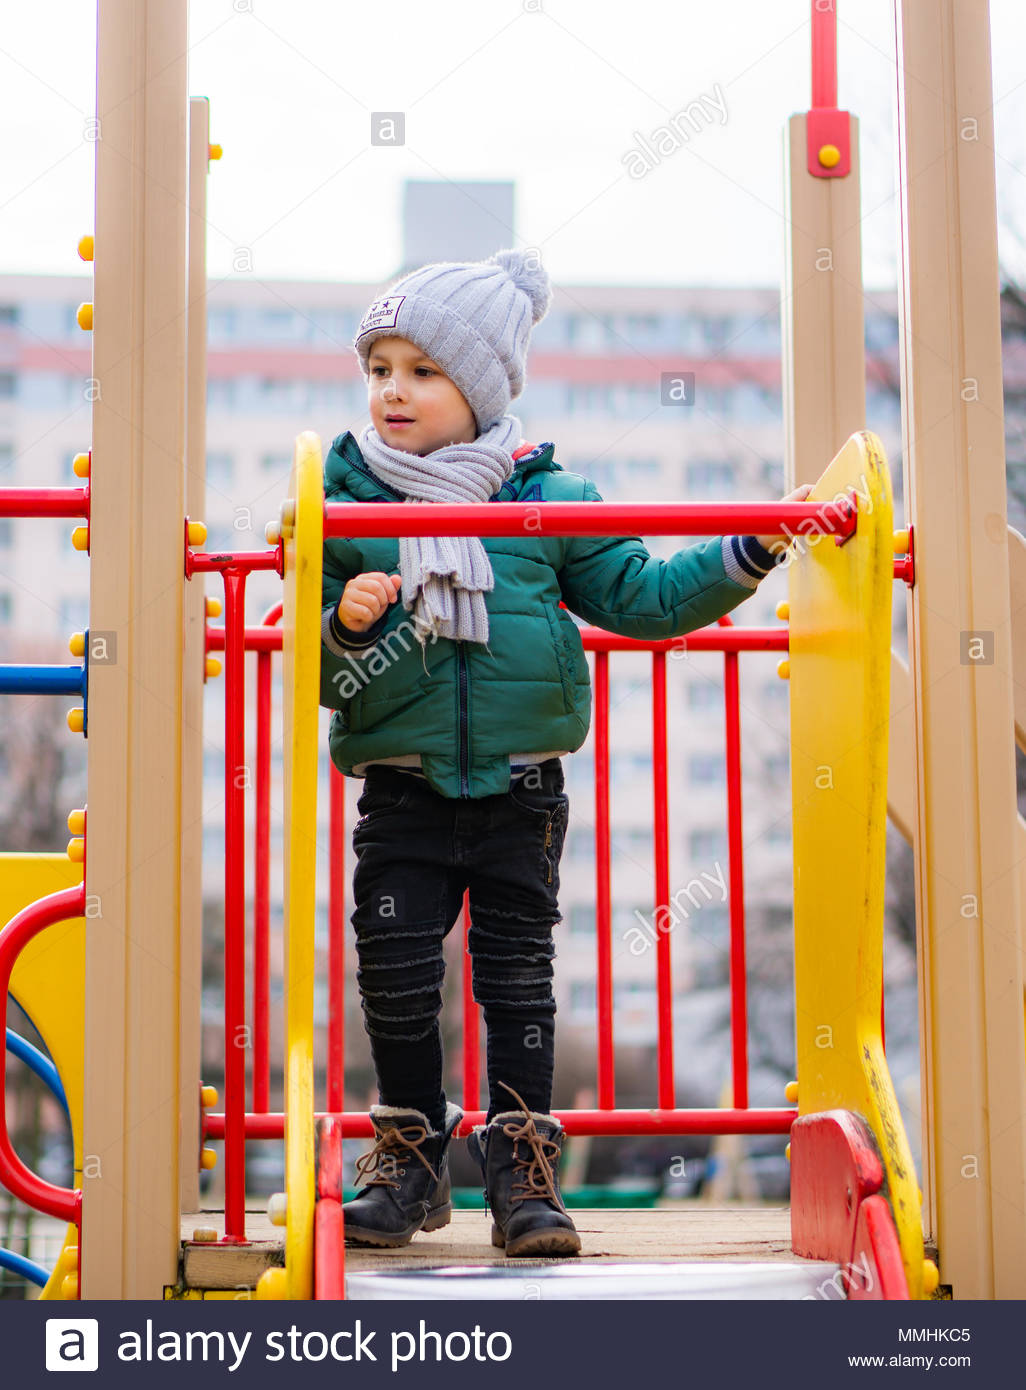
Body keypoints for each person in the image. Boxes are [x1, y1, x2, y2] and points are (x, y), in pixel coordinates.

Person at [319, 248, 811, 1257]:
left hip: (520, 794)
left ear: (484, 386)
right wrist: (353, 627)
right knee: (396, 974)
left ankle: (523, 1170)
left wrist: (753, 548)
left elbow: (645, 600)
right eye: (380, 369)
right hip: (402, 790)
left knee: (518, 984)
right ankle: (410, 1162)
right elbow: (321, 671)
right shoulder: (349, 505)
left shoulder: (548, 501)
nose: (394, 391)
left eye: (421, 370)